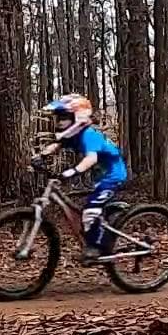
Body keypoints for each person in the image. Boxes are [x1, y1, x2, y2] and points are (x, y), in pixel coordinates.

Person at [34, 94, 128, 264]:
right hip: (101, 176)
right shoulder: (75, 136)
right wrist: (40, 156)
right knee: (87, 208)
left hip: (113, 175)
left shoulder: (89, 135)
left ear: (77, 118)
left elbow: (91, 159)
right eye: (58, 118)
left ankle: (96, 248)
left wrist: (72, 171)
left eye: (64, 118)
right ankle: (102, 234)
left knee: (90, 209)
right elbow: (57, 145)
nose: (59, 123)